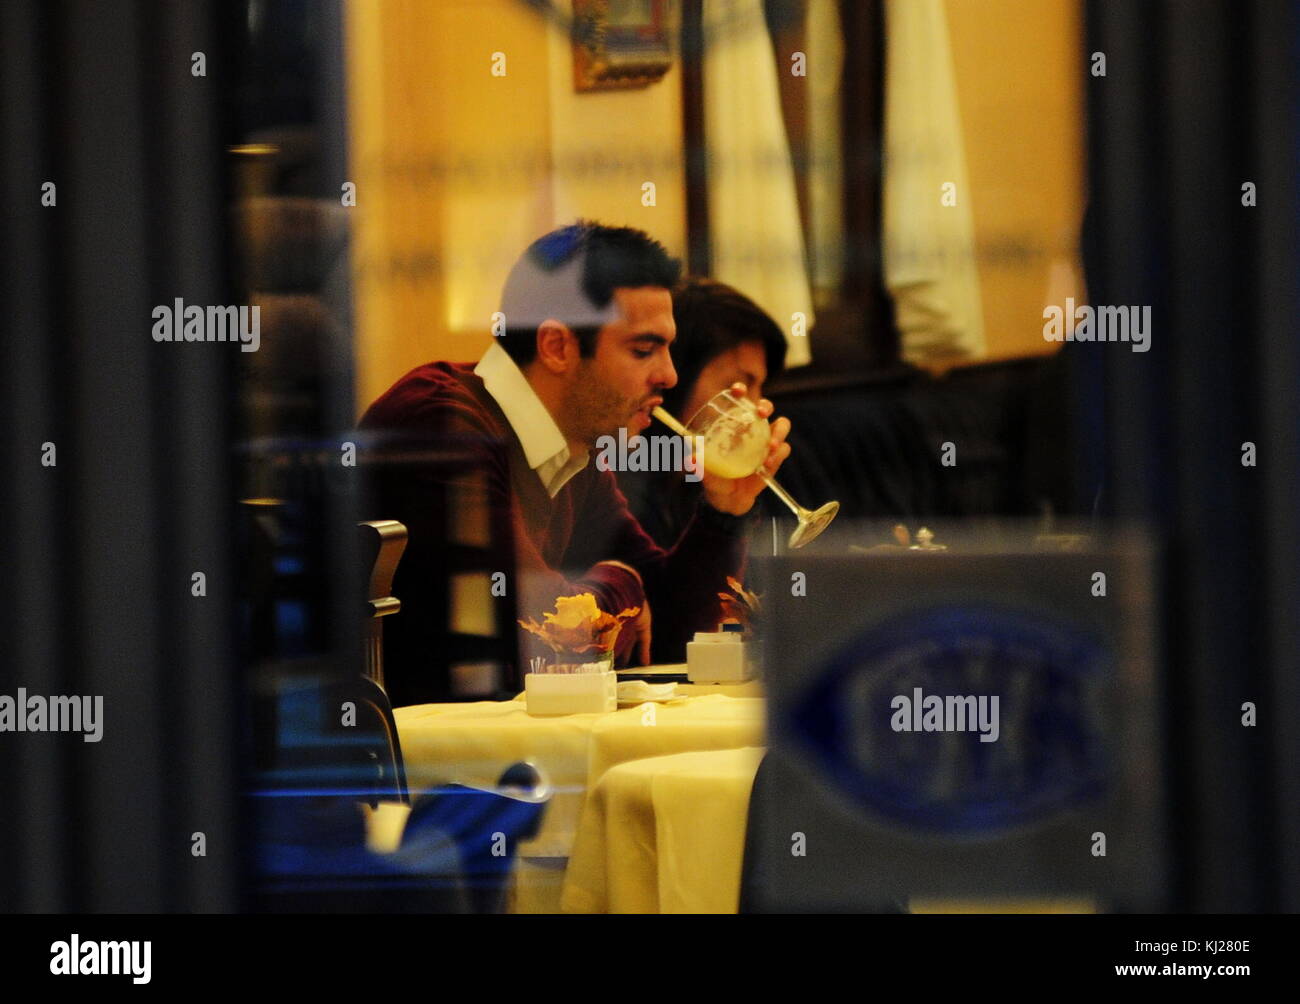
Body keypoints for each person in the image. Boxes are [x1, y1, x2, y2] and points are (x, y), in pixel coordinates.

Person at [359, 222, 793, 702]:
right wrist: (625, 583)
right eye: (643, 350)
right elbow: (550, 628)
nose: (669, 375)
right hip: (405, 764)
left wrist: (723, 512)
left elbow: (672, 636)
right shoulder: (441, 422)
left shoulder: (573, 452)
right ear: (557, 347)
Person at [618, 277, 788, 549]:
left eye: (760, 388)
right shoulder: (618, 487)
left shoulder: (707, 484)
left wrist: (730, 512)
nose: (756, 408)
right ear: (677, 377)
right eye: (738, 386)